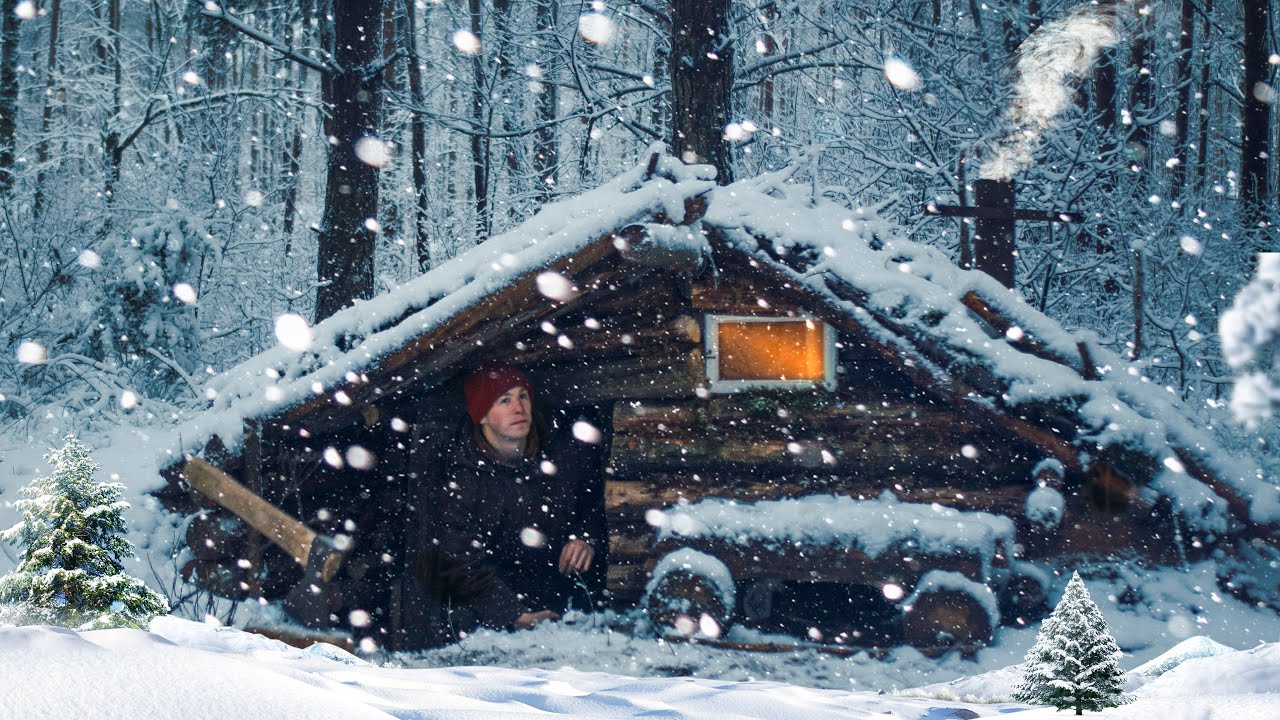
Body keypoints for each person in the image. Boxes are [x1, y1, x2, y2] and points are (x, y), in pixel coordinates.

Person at [413, 365, 604, 637]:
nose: (518, 408)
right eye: (504, 400)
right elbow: (459, 562)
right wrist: (512, 615)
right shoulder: (462, 479)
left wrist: (585, 537)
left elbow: (594, 500)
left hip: (571, 601)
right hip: (498, 617)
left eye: (522, 396)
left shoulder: (561, 450)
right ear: (482, 415)